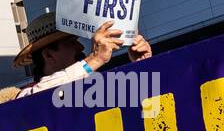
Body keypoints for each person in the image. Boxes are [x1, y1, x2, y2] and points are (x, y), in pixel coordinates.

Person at [12, 12, 153, 99]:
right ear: (48, 55)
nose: (81, 47)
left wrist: (143, 66)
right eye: (71, 42)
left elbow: (149, 110)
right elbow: (41, 96)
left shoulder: (95, 87)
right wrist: (95, 59)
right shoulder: (26, 96)